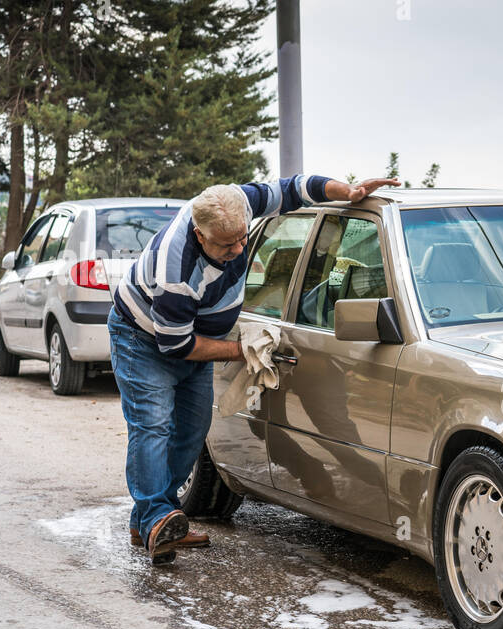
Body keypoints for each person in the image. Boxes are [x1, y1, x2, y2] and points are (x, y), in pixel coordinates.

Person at [108, 173, 400, 564]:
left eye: (243, 238)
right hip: (143, 341)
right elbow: (176, 345)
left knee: (192, 430)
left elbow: (294, 189)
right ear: (200, 234)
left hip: (194, 339)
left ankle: (149, 521)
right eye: (227, 245)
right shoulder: (176, 269)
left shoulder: (235, 205)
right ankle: (159, 517)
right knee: (154, 424)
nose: (240, 248)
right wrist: (242, 349)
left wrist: (344, 190)